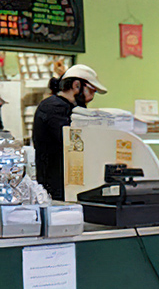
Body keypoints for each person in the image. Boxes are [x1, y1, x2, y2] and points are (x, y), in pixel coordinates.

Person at [33, 63, 107, 200]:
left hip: (65, 185)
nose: (91, 97)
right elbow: (72, 143)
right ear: (76, 85)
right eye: (91, 91)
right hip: (56, 187)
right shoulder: (55, 108)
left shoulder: (62, 107)